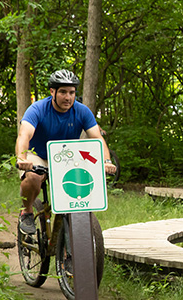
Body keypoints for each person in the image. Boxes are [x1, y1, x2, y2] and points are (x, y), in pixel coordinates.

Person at [15, 69, 116, 234]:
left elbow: (97, 138)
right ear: (52, 92)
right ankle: (26, 212)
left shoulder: (82, 111)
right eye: (62, 92)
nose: (68, 97)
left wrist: (107, 161)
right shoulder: (38, 109)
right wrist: (22, 158)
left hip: (66, 157)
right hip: (38, 154)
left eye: (71, 92)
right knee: (33, 178)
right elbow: (24, 134)